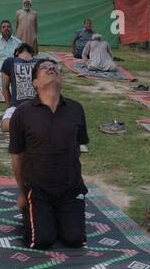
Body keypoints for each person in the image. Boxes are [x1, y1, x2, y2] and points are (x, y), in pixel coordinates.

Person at [8, 57, 89, 250]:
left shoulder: (76, 109)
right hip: (38, 190)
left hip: (70, 189)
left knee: (75, 239)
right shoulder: (22, 113)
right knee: (42, 241)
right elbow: (17, 156)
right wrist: (21, 193)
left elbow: (78, 148)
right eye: (44, 68)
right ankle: (34, 213)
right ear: (35, 83)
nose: (51, 68)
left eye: (55, 68)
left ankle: (58, 214)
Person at [0, 43, 39, 108]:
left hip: (16, 107)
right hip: (37, 107)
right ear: (32, 53)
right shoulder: (40, 63)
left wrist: (10, 107)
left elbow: (5, 89)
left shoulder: (9, 61)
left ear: (17, 53)